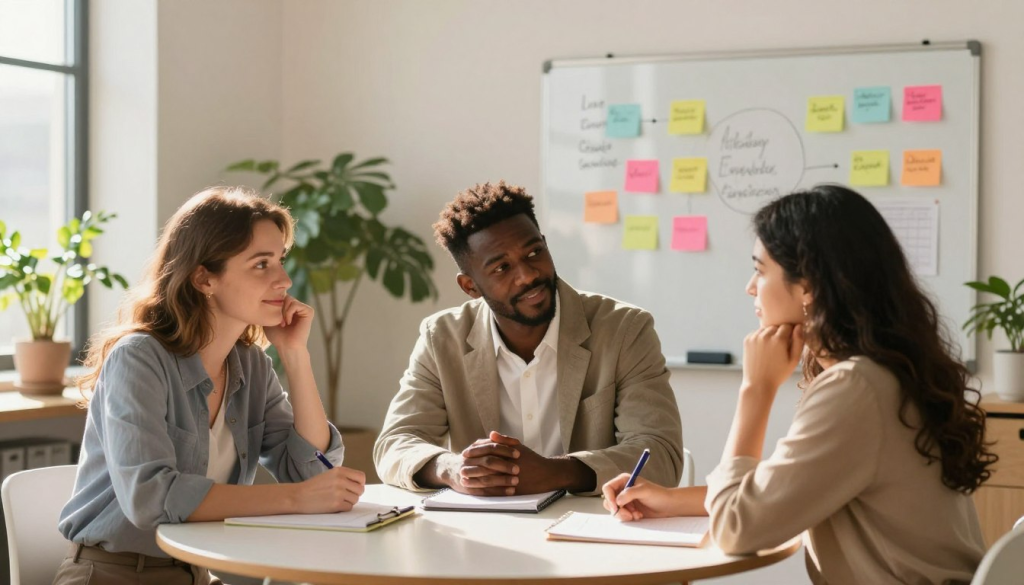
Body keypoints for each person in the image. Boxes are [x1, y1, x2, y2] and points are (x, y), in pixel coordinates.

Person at [602, 185, 993, 585]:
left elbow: (738, 529)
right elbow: (781, 488)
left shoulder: (856, 388)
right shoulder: (886, 373)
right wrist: (669, 501)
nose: (750, 287)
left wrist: (755, 389)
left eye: (759, 269)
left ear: (807, 285)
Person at [55, 187, 366, 585]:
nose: (284, 280)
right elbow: (149, 497)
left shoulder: (251, 363)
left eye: (281, 261)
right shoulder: (138, 358)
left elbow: (308, 471)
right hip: (112, 575)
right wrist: (298, 500)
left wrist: (296, 357)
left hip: (196, 572)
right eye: (261, 264)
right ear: (204, 278)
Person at [374, 180, 683, 496]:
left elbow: (661, 455)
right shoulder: (442, 338)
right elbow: (394, 444)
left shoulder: (624, 330)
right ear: (471, 287)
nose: (528, 274)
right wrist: (452, 469)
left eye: (535, 252)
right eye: (502, 267)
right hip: (488, 530)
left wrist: (556, 473)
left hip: (592, 525)